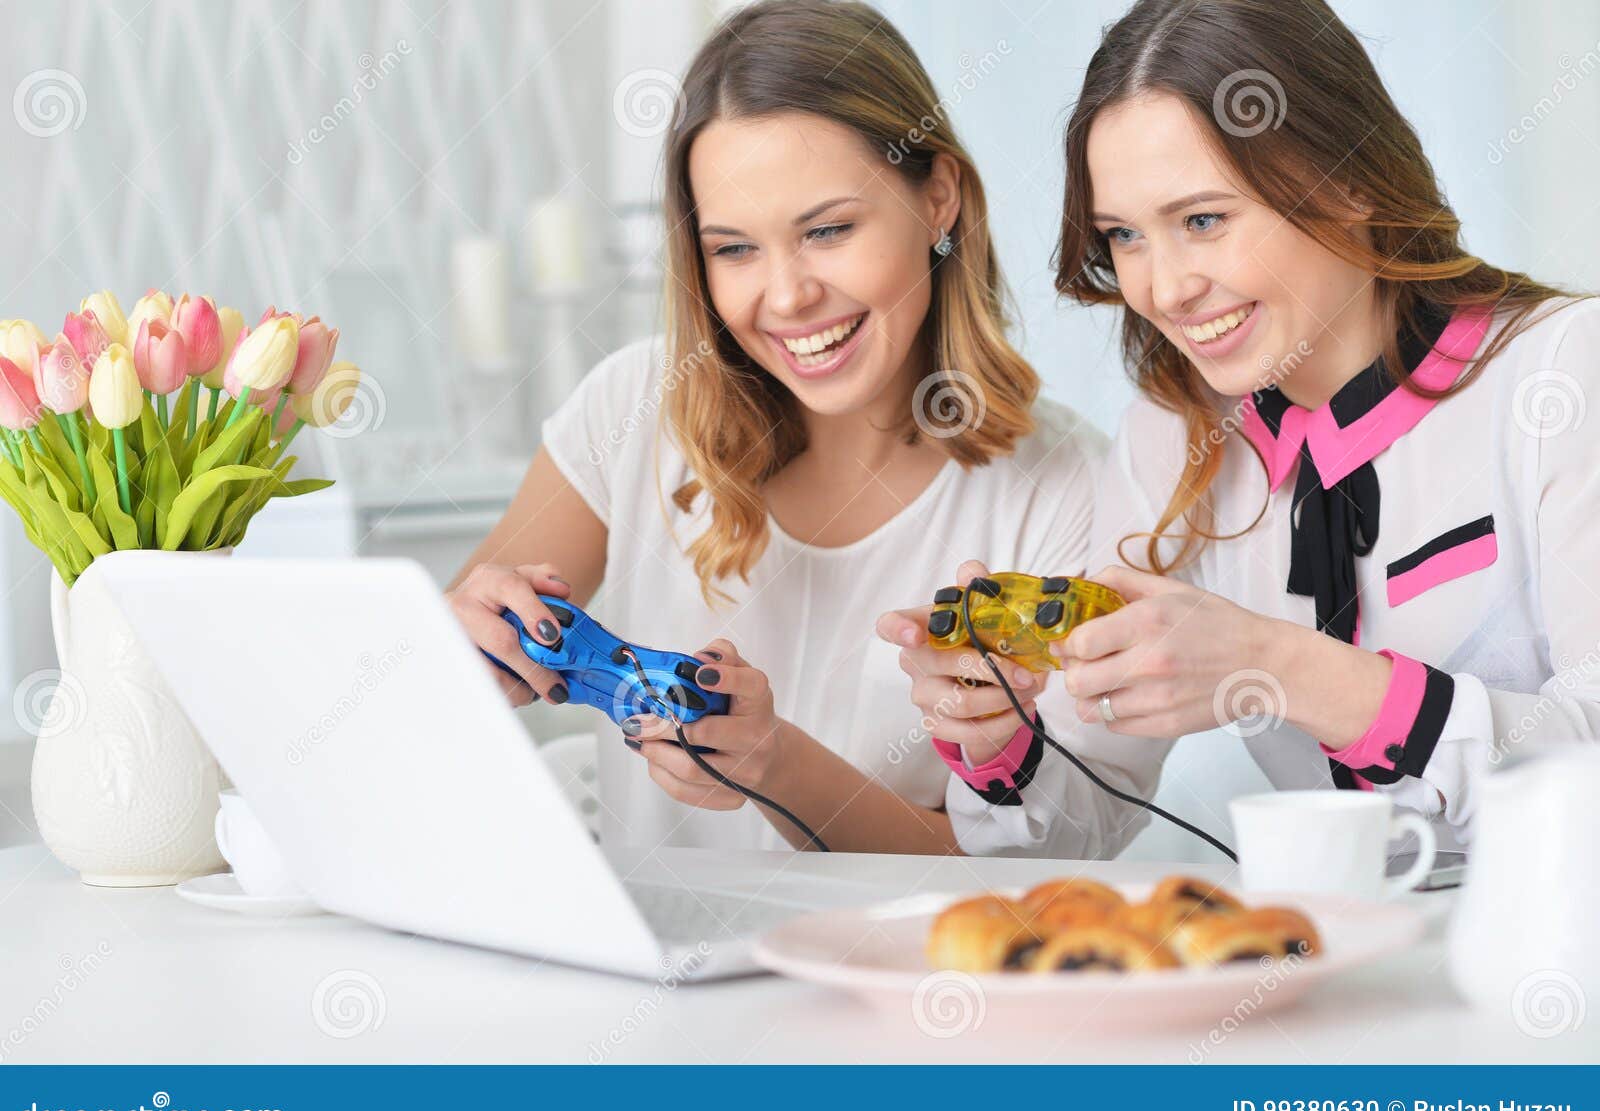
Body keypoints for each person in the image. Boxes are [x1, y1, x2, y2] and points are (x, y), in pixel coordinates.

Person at [880, 0, 1599, 859]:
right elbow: (1078, 820)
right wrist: (1001, 739)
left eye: (1204, 219)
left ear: (1352, 179)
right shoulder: (1171, 441)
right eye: (1125, 237)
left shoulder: (1561, 374)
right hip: (1336, 971)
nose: (1165, 288)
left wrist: (1278, 664)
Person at [446, 0, 1103, 854]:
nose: (787, 297)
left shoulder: (1069, 488)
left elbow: (1019, 876)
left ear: (937, 199)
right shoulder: (633, 406)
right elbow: (445, 680)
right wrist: (469, 645)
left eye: (827, 231)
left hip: (904, 984)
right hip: (642, 978)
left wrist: (775, 765)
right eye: (734, 249)